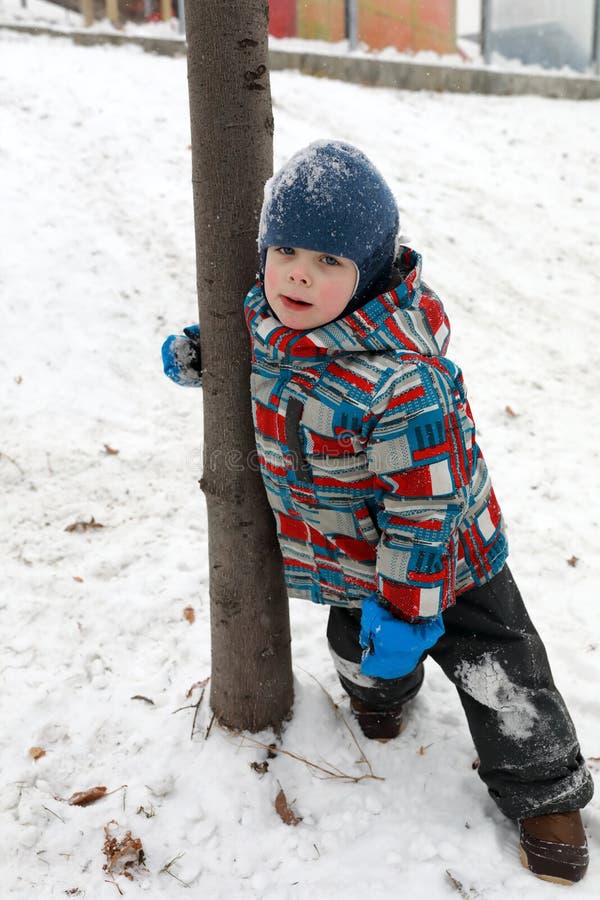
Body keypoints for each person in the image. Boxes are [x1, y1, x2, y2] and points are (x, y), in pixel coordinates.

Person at [162, 141, 593, 885]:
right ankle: (381, 697)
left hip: (448, 557)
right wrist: (203, 354)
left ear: (366, 275)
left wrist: (407, 605)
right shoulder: (276, 324)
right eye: (287, 249)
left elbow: (425, 512)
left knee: (498, 667)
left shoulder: (399, 383)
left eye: (329, 262)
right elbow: (251, 350)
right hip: (345, 553)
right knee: (357, 640)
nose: (299, 272)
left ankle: (543, 789)